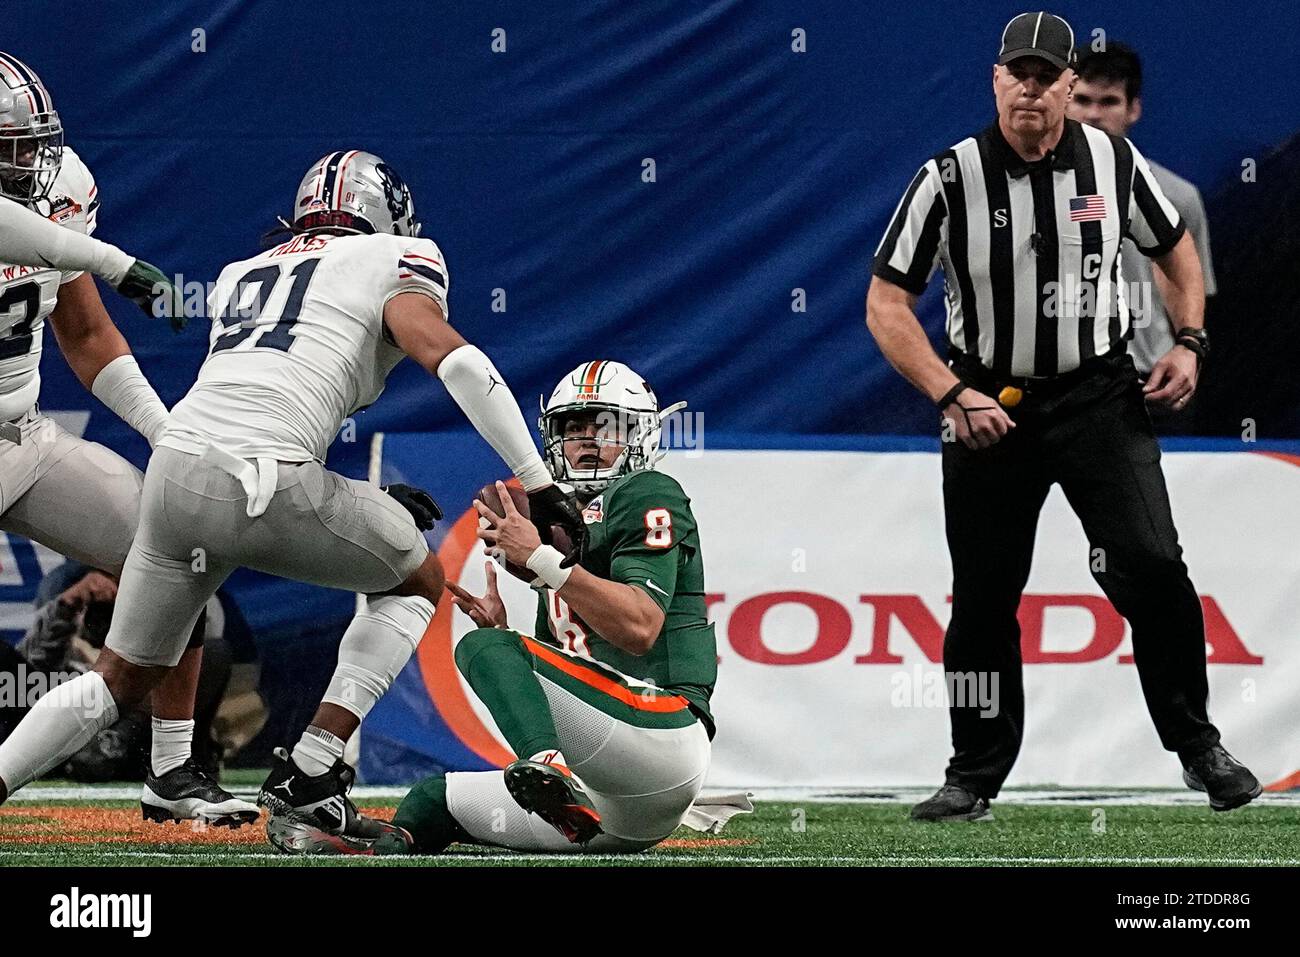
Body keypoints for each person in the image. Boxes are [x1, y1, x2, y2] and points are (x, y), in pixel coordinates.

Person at [0, 150, 586, 844]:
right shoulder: (396, 258)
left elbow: (263, 400)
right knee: (417, 578)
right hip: (263, 484)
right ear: (384, 219)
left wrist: (356, 495)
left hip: (178, 471)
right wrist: (539, 479)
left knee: (118, 678)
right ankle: (311, 770)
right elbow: (457, 361)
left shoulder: (242, 273)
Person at [865, 12, 1258, 821]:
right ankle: (972, 772)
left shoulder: (1114, 160)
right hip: (989, 403)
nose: (1033, 91)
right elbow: (885, 304)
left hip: (1098, 396)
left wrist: (1189, 341)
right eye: (1020, 74)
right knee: (982, 596)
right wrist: (950, 392)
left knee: (1152, 564)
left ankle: (1198, 746)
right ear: (996, 79)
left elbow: (1174, 244)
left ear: (1070, 86)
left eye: (1049, 77)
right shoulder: (949, 177)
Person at [267, 361, 717, 856]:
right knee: (433, 798)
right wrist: (507, 629)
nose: (588, 440)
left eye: (606, 426)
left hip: (665, 735)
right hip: (615, 803)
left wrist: (540, 560)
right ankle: (373, 850)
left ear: (642, 433)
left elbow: (639, 627)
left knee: (484, 648)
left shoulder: (645, 491)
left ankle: (547, 767)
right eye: (574, 428)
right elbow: (580, 670)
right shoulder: (562, 517)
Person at [0, 52, 250, 821]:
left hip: (19, 435)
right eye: (8, 149)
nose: (30, 163)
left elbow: (85, 333)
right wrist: (116, 261)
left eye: (31, 144)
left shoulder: (62, 184)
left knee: (178, 545)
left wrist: (166, 433)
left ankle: (171, 771)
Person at [1068, 41, 1217, 432]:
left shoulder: (1176, 196)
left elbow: (1193, 298)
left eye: (1109, 102)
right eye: (1082, 99)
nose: (1093, 114)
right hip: (1051, 387)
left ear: (1133, 108)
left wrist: (1188, 354)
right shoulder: (1021, 188)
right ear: (1064, 100)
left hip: (1148, 387)